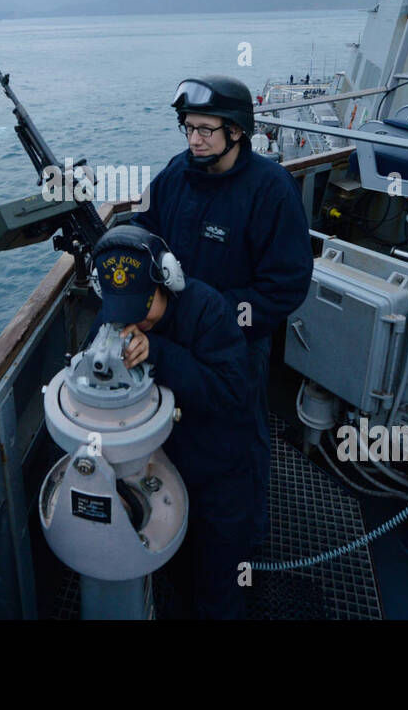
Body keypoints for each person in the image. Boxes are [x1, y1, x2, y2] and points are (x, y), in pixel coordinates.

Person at [131, 75, 314, 552]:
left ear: (237, 132)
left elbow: (287, 283)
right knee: (175, 440)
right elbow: (144, 230)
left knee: (234, 452)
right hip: (171, 340)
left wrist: (219, 318)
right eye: (189, 128)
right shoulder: (177, 173)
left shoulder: (271, 190)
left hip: (236, 348)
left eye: (207, 130)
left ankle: (240, 547)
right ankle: (176, 529)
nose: (195, 140)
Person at [89, 224, 261, 619]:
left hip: (219, 476)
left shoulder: (208, 310)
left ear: (168, 280)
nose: (132, 324)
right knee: (176, 573)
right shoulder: (114, 318)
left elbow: (232, 394)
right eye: (122, 312)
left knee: (218, 585)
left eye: (141, 309)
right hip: (158, 474)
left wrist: (160, 354)